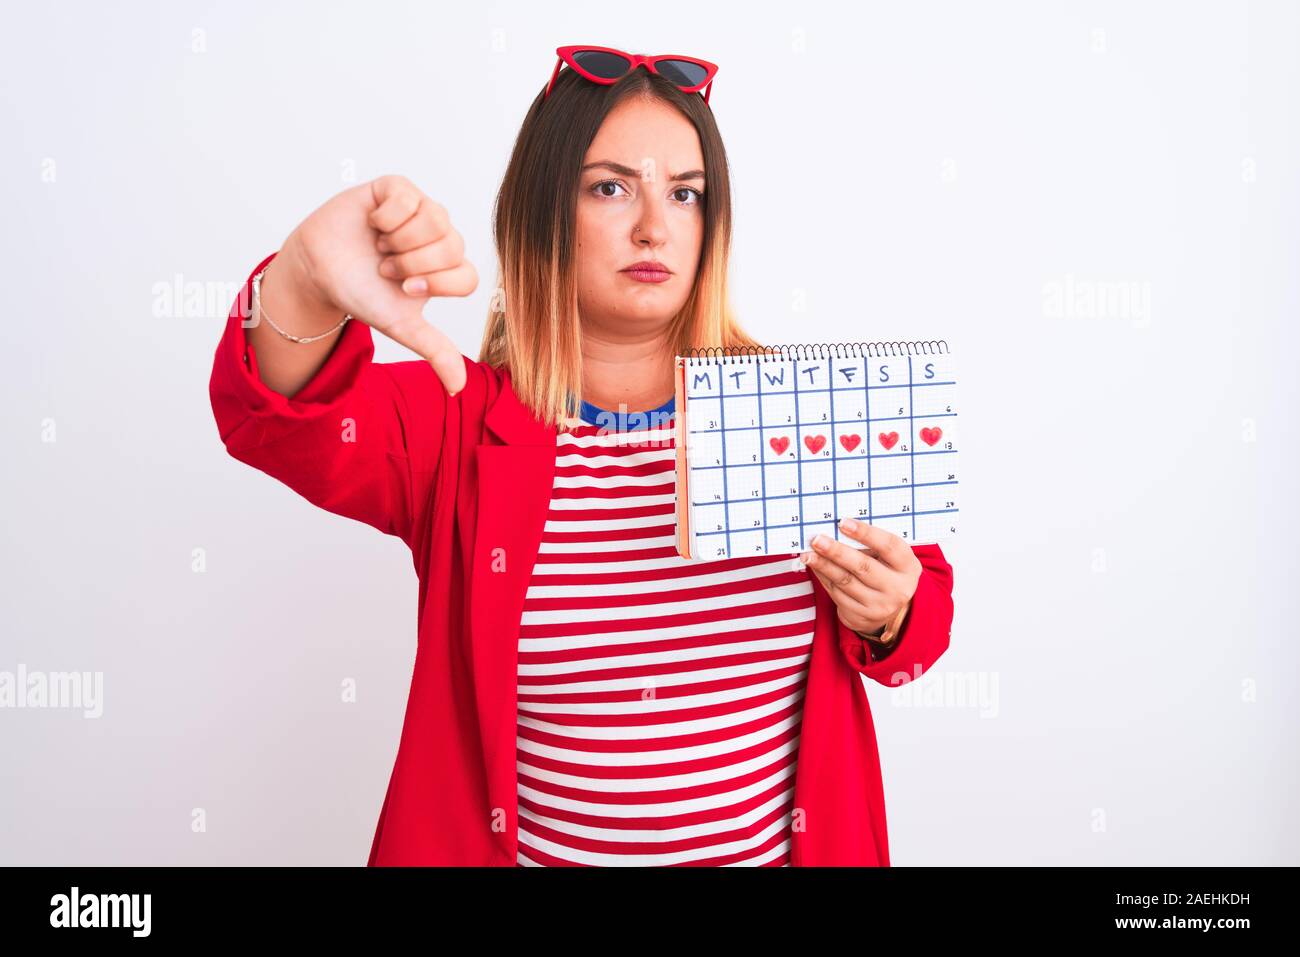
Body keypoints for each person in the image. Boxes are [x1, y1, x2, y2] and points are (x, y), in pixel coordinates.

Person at [209, 45, 955, 866]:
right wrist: (304, 280)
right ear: (543, 213)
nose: (653, 226)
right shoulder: (459, 426)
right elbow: (283, 420)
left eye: (684, 193)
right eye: (610, 187)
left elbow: (917, 625)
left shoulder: (798, 413)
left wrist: (889, 611)